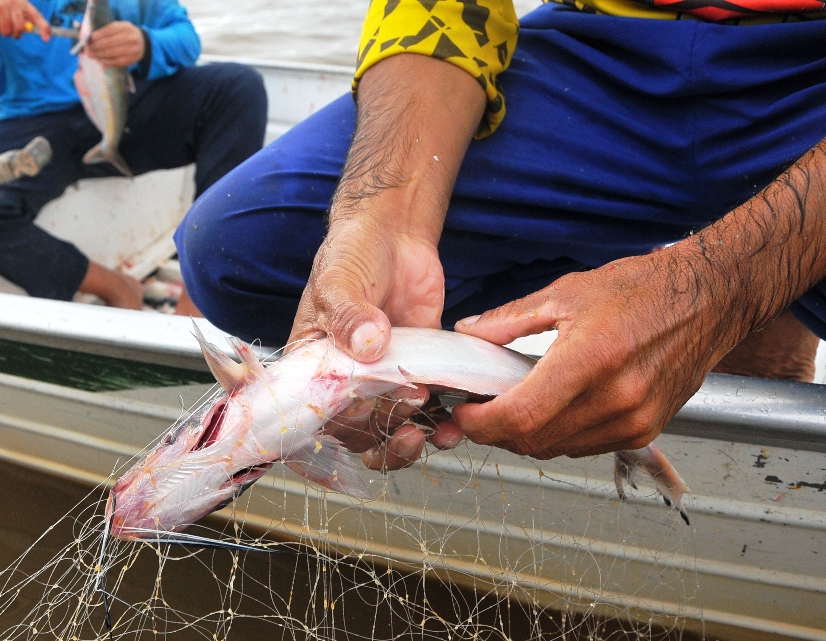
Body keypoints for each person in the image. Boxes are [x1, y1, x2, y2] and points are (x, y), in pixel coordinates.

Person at [174, 0, 826, 470]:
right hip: (605, 43)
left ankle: (754, 301)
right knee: (240, 246)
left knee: (756, 277)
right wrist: (387, 213)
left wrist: (722, 286)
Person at [0, 0, 266, 309]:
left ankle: (200, 298)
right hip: (29, 124)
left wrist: (146, 44)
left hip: (119, 111)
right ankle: (113, 285)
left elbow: (184, 36)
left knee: (237, 88)